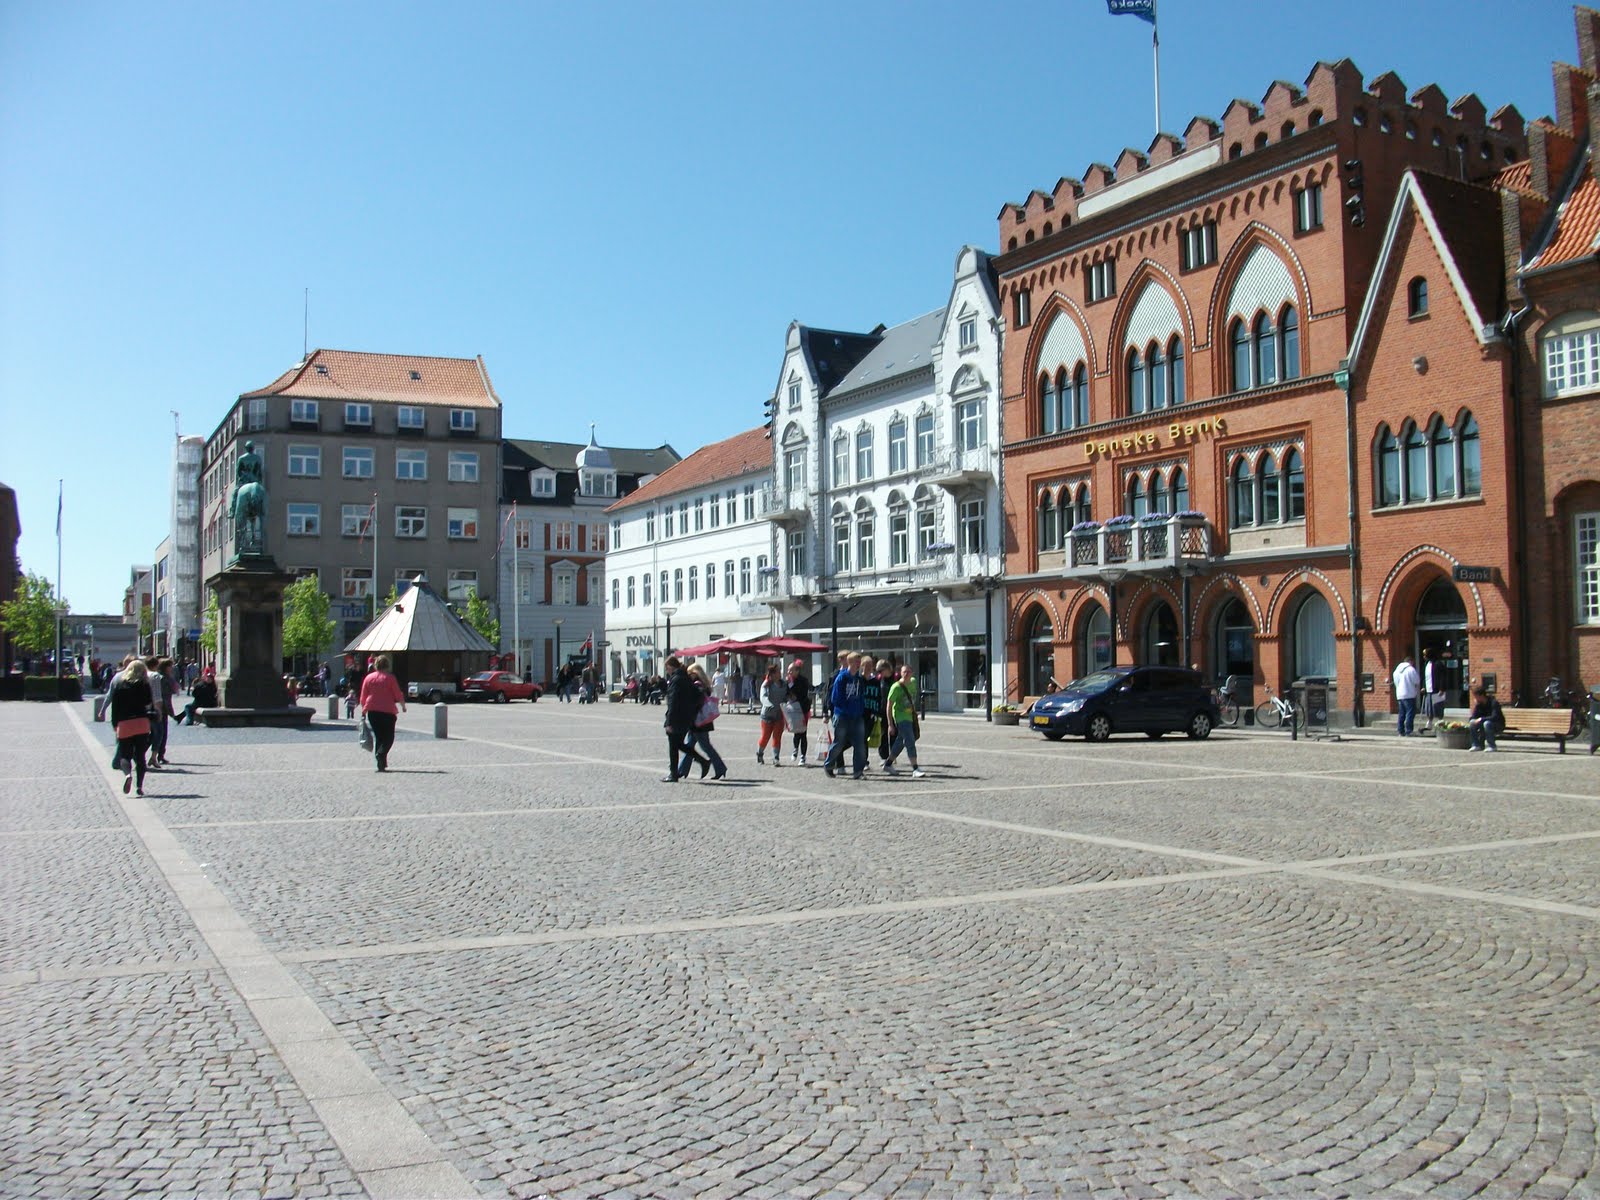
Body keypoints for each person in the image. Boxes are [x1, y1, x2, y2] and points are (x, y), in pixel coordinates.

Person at [109, 659, 156, 796]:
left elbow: (115, 708)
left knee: (125, 755)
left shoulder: (120, 686)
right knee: (140, 756)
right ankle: (139, 786)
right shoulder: (144, 685)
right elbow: (148, 703)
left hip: (125, 723)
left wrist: (115, 724)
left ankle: (128, 775)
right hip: (141, 722)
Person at [677, 665, 727, 780]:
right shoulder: (704, 684)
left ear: (695, 673)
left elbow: (696, 702)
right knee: (689, 746)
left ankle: (720, 768)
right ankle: (681, 770)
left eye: (690, 673)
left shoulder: (697, 685)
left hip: (698, 721)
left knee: (705, 746)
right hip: (701, 720)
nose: (688, 676)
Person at [358, 654, 407, 772]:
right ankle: (381, 754)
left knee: (379, 737)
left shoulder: (369, 678)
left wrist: (364, 709)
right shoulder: (390, 678)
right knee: (389, 737)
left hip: (372, 711)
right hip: (387, 711)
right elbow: (397, 694)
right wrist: (403, 706)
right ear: (387, 665)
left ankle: (381, 763)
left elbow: (363, 696)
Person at [661, 656, 707, 782]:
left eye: (667, 668)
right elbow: (696, 696)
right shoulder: (685, 678)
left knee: (674, 746)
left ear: (670, 666)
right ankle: (702, 762)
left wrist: (669, 721)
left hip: (676, 718)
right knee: (679, 744)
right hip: (686, 718)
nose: (666, 671)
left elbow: (673, 702)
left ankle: (674, 774)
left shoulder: (676, 680)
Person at [824, 653, 867, 779]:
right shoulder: (841, 678)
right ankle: (829, 765)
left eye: (859, 662)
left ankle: (858, 771)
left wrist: (859, 709)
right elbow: (835, 698)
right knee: (839, 743)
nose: (858, 664)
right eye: (856, 662)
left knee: (860, 744)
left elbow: (861, 696)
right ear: (850, 663)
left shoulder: (859, 679)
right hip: (842, 716)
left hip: (857, 716)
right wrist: (847, 709)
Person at [885, 665, 926, 778]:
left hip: (910, 717)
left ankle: (888, 764)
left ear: (912, 673)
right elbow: (889, 706)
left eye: (908, 672)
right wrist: (890, 724)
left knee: (900, 742)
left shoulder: (913, 682)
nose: (906, 674)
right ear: (900, 673)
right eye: (904, 672)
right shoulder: (896, 687)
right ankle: (915, 768)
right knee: (910, 741)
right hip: (900, 717)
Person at [756, 663, 787, 766]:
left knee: (777, 737)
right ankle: (760, 753)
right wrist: (768, 704)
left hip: (779, 714)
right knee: (765, 737)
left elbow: (787, 696)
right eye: (778, 671)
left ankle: (776, 757)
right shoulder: (766, 684)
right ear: (773, 674)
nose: (780, 673)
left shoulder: (784, 684)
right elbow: (763, 697)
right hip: (767, 715)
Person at [145, 657, 174, 768]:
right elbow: (159, 696)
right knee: (158, 734)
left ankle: (145, 755)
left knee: (152, 734)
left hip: (145, 709)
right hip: (156, 710)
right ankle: (154, 756)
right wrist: (160, 711)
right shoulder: (157, 677)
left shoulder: (143, 675)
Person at [860, 657, 886, 773]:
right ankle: (862, 761)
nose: (869, 668)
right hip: (859, 714)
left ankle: (864, 761)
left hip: (871, 714)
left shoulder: (875, 681)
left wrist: (878, 712)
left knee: (865, 738)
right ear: (862, 666)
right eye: (866, 665)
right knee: (860, 738)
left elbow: (879, 697)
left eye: (871, 665)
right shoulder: (858, 680)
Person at [785, 660, 812, 765]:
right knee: (796, 732)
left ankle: (803, 756)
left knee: (803, 733)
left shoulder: (803, 680)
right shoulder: (788, 681)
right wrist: (789, 691)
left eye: (791, 670)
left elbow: (801, 694)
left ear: (797, 670)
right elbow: (787, 694)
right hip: (793, 709)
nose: (789, 672)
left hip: (803, 709)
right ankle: (795, 749)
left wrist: (792, 687)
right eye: (788, 670)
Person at [1392, 654, 1421, 736]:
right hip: (1409, 694)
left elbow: (1395, 683)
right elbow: (1416, 681)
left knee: (1401, 713)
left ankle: (1400, 731)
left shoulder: (1396, 671)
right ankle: (1409, 731)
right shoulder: (1411, 669)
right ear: (1410, 662)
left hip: (1400, 694)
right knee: (1410, 713)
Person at [1468, 685, 1502, 752]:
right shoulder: (1479, 704)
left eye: (1476, 696)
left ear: (1481, 696)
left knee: (1487, 723)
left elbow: (1495, 717)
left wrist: (1481, 719)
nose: (1474, 698)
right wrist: (1473, 720)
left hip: (1497, 724)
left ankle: (1492, 746)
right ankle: (1476, 745)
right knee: (1472, 723)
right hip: (1484, 724)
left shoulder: (1493, 703)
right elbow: (1474, 716)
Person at [1420, 649, 1437, 732]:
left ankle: (1438, 723)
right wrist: (1423, 686)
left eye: (1425, 655)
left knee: (1436, 707)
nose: (1424, 657)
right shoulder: (1426, 664)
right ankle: (1429, 723)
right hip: (1428, 689)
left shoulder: (1437, 664)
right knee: (1428, 708)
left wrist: (1441, 688)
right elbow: (1425, 677)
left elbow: (1441, 678)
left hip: (1436, 690)